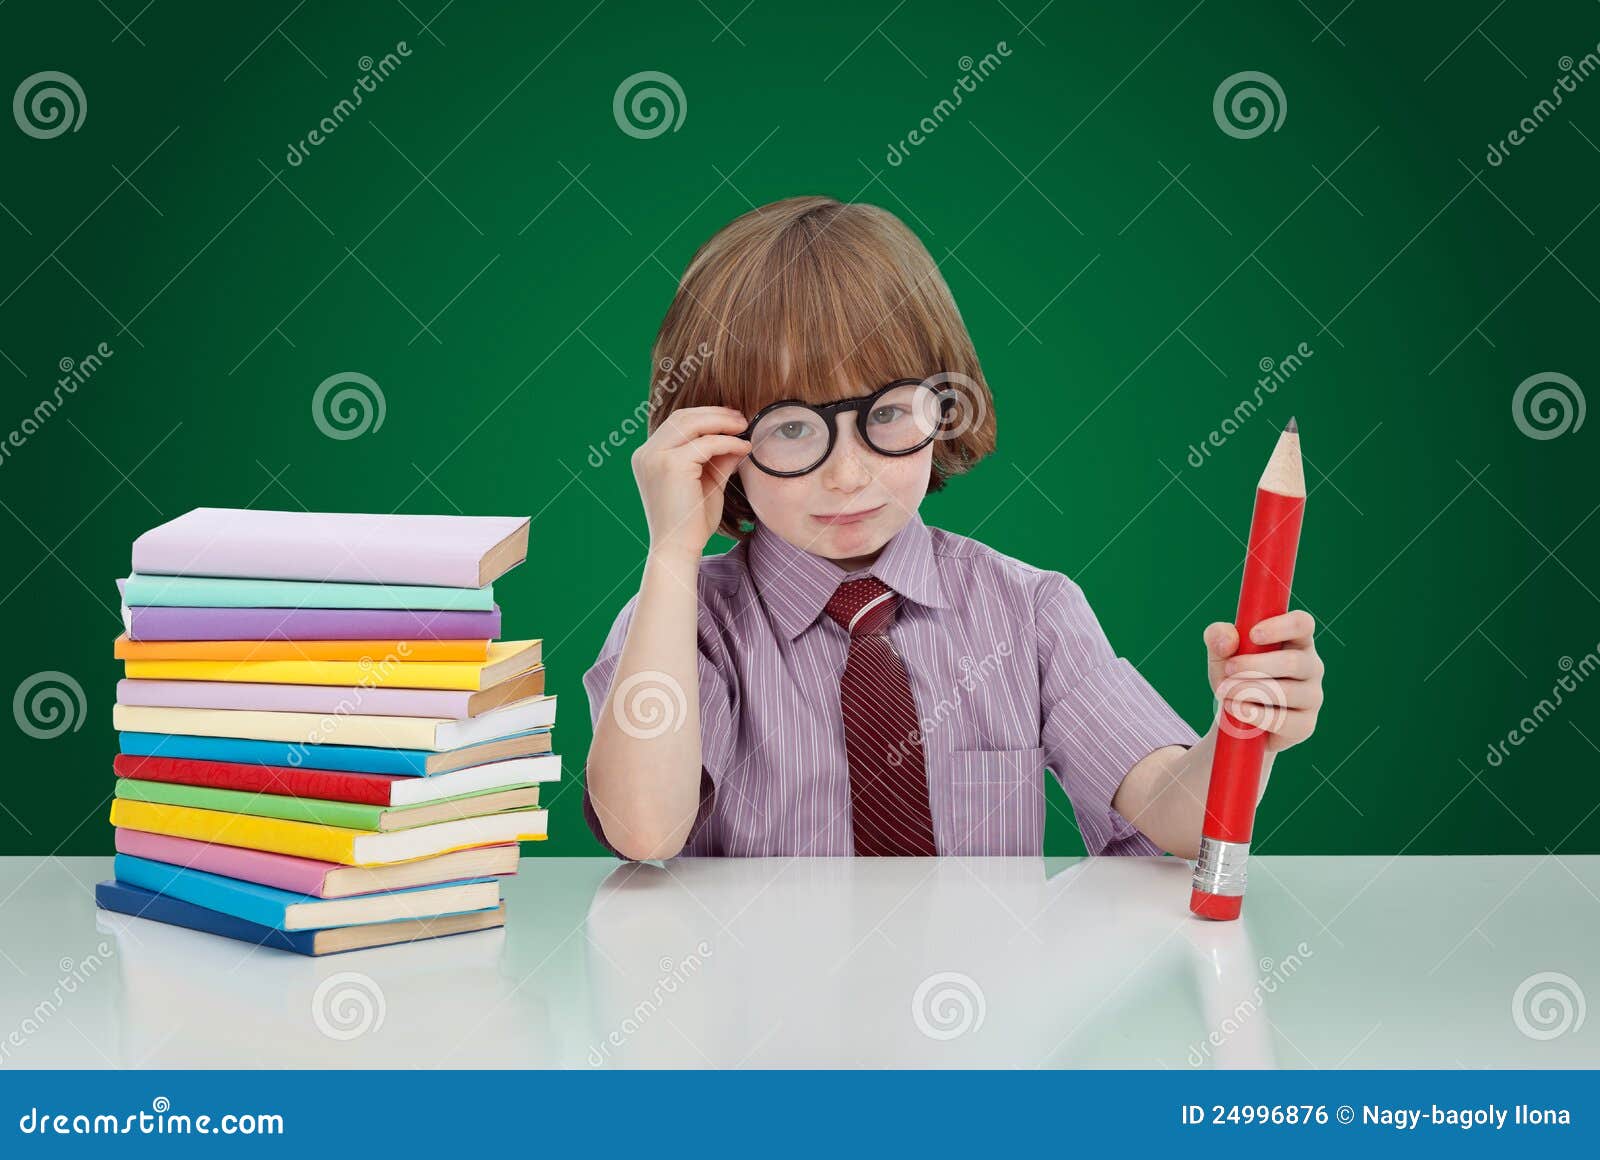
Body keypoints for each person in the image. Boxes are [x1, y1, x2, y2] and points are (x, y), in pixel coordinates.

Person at [580, 196, 1324, 860]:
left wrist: (1242, 739)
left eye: (888, 414)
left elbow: (1179, 818)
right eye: (793, 429)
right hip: (757, 1007)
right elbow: (642, 832)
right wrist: (672, 548)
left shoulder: (1031, 610)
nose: (847, 475)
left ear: (945, 407)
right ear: (717, 443)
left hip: (977, 1007)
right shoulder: (684, 624)